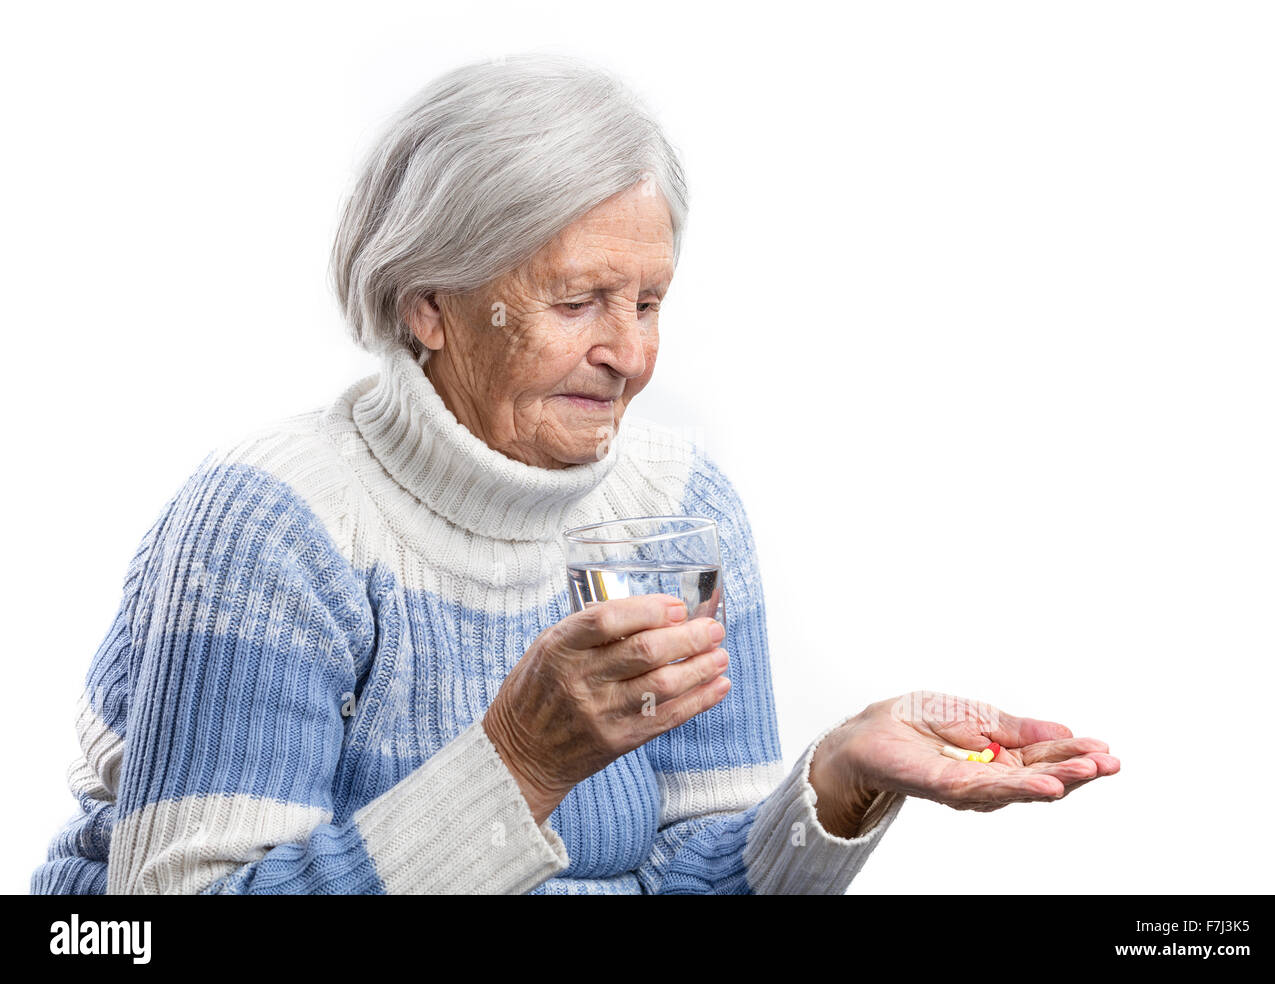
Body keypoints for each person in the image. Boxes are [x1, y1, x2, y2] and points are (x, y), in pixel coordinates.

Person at [31, 52, 1118, 896]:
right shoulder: (278, 523)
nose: (630, 354)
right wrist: (517, 762)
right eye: (577, 302)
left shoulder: (676, 507)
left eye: (647, 303)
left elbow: (692, 877)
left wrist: (837, 781)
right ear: (430, 304)